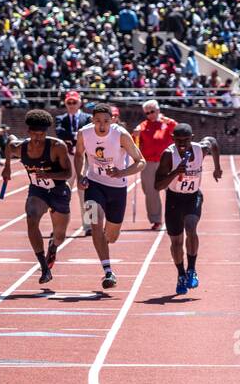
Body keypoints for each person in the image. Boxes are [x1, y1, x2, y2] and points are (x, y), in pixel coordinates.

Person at [74, 102, 147, 289]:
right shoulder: (84, 133)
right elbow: (79, 155)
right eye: (97, 121)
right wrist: (81, 175)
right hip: (93, 184)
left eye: (105, 121)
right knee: (94, 223)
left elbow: (141, 162)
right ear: (92, 120)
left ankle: (105, 241)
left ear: (112, 120)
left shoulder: (121, 135)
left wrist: (121, 172)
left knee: (112, 236)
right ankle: (108, 271)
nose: (101, 125)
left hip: (117, 188)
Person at [1, 109, 73, 287]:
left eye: (41, 135)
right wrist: (7, 167)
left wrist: (49, 175)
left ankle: (53, 246)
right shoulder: (21, 147)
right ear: (28, 133)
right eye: (34, 135)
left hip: (58, 190)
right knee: (31, 218)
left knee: (60, 235)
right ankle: (44, 267)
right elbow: (9, 144)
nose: (38, 138)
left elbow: (68, 173)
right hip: (37, 191)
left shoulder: (57, 147)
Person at [154, 124, 222, 295]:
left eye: (186, 140)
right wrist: (175, 172)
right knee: (176, 242)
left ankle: (192, 269)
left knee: (191, 228)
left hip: (193, 197)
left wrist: (217, 167)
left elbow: (213, 142)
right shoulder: (168, 156)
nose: (182, 144)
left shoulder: (200, 150)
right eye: (178, 141)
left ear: (192, 137)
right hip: (174, 199)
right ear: (172, 138)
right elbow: (157, 186)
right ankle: (181, 274)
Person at [133, 99, 178, 230]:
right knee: (150, 192)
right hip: (149, 162)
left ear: (158, 110)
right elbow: (135, 143)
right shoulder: (143, 125)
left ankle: (175, 217)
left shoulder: (168, 123)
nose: (150, 114)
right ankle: (156, 220)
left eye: (152, 111)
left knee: (172, 189)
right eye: (147, 113)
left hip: (166, 162)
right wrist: (135, 135)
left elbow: (180, 133)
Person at [54, 90, 93, 235]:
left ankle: (89, 226)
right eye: (68, 102)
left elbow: (90, 132)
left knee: (87, 192)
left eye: (74, 102)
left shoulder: (88, 118)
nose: (71, 105)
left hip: (84, 158)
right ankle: (59, 226)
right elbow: (59, 132)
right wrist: (77, 135)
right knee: (62, 191)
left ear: (79, 103)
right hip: (67, 159)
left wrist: (75, 136)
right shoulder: (60, 118)